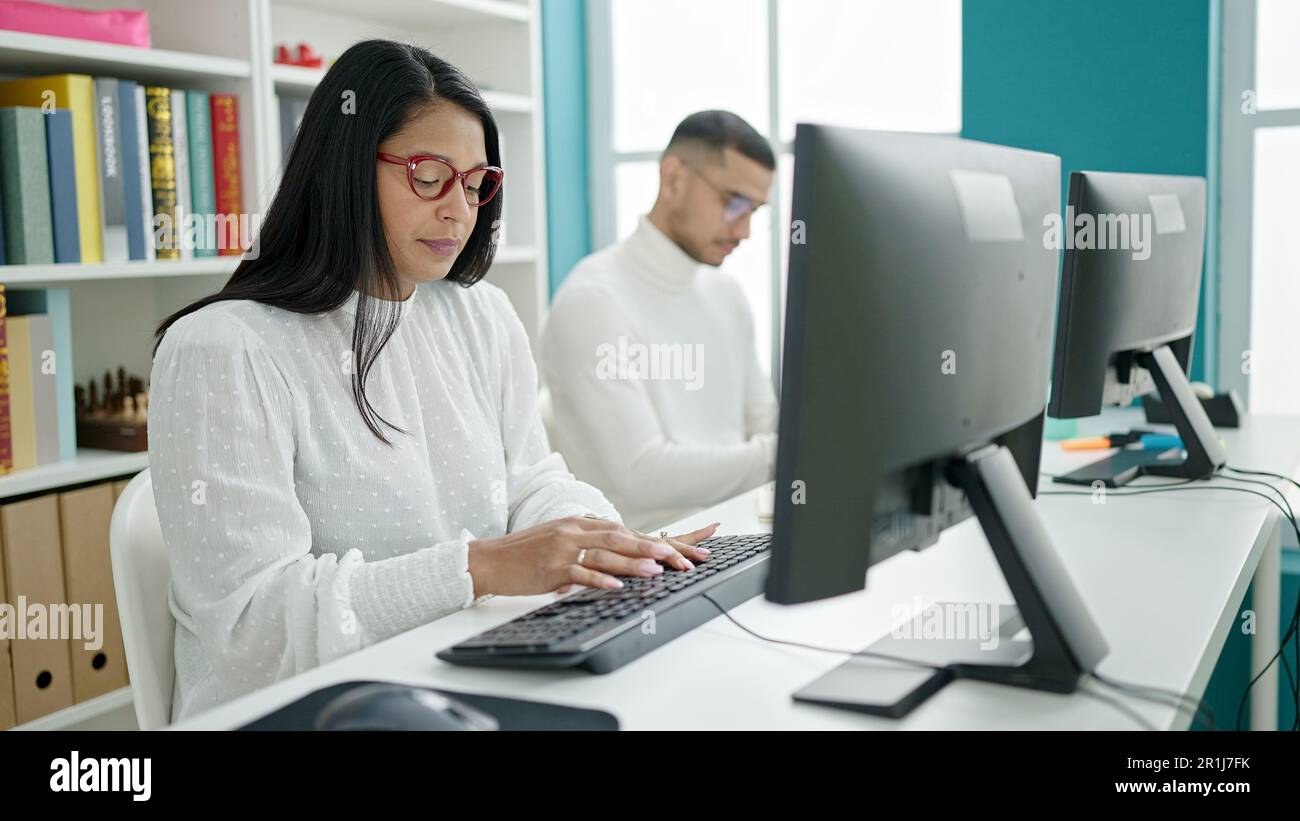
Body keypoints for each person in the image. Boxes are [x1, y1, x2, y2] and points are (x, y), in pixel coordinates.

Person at [149, 40, 716, 722]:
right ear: (347, 169)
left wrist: (604, 541)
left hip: (444, 679)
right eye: (428, 175)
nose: (459, 208)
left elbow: (532, 479)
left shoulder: (481, 314)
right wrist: (479, 567)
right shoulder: (225, 350)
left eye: (476, 182)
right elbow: (253, 623)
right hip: (299, 712)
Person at [541, 110, 779, 531]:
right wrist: (791, 454)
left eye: (755, 210)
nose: (744, 231)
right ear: (673, 179)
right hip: (649, 563)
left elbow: (766, 423)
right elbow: (641, 476)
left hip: (740, 531)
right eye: (734, 203)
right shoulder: (593, 301)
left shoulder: (726, 294)